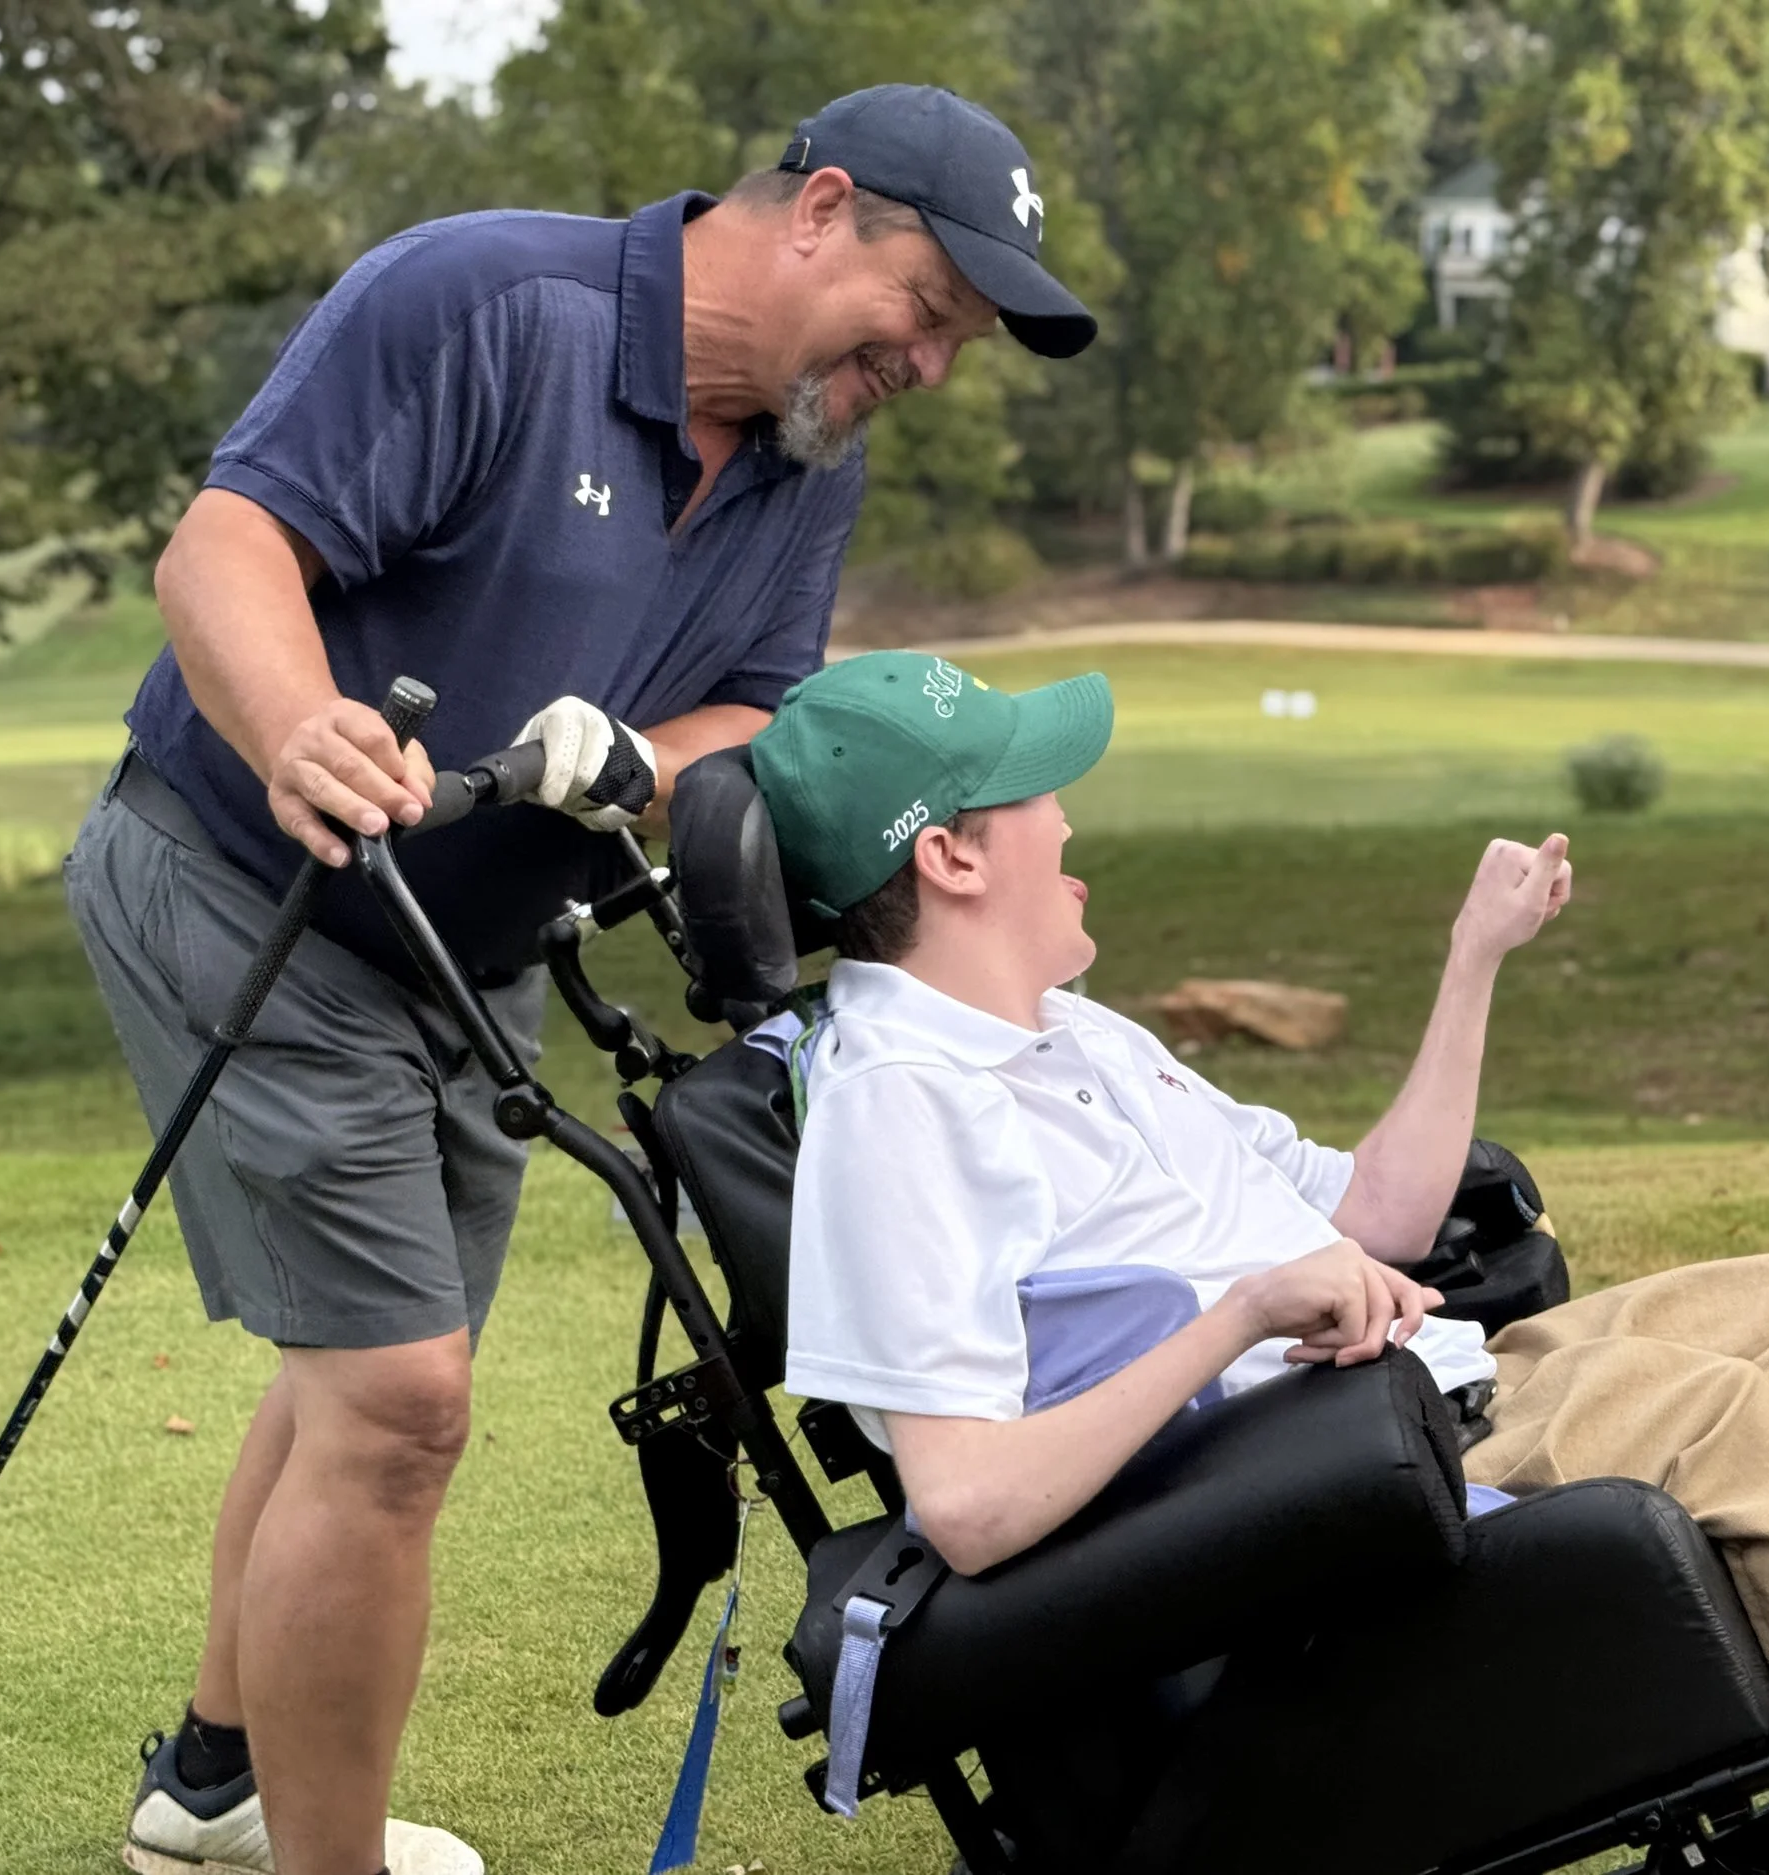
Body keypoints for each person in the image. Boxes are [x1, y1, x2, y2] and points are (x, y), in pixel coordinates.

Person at [749, 651, 1769, 1875]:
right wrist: (1247, 1311)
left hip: (1400, 1381)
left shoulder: (1071, 1035)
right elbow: (963, 1503)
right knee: (1716, 1422)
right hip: (1299, 1485)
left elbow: (1378, 1217)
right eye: (1032, 788)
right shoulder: (900, 1114)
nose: (1065, 812)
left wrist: (1473, 965)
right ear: (951, 855)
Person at [67, 85, 1094, 1875]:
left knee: (361, 1383)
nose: (931, 359)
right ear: (818, 208)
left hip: (469, 944)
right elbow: (224, 549)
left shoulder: (803, 462)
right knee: (398, 1402)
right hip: (245, 887)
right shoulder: (484, 303)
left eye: (961, 341)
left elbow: (753, 722)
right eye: (927, 306)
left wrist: (629, 756)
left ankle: (213, 1784)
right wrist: (305, 723)